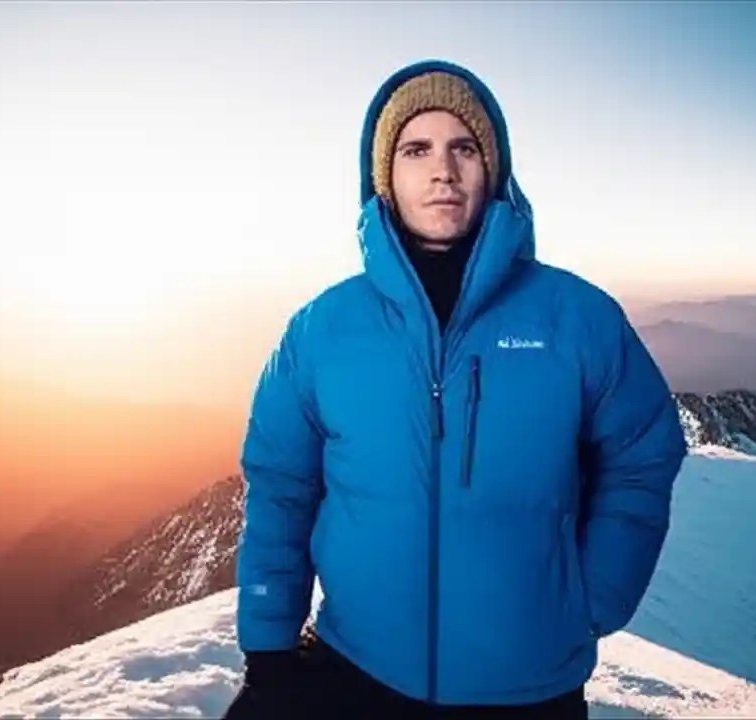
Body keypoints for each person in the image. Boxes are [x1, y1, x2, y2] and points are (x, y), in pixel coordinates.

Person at [226, 59, 688, 720]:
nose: (442, 169)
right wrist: (269, 643)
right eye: (416, 149)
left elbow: (643, 454)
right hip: (357, 674)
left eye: (463, 147)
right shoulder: (323, 329)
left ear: (492, 168)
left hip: (530, 691)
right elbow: (281, 484)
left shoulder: (577, 318)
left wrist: (592, 600)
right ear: (386, 173)